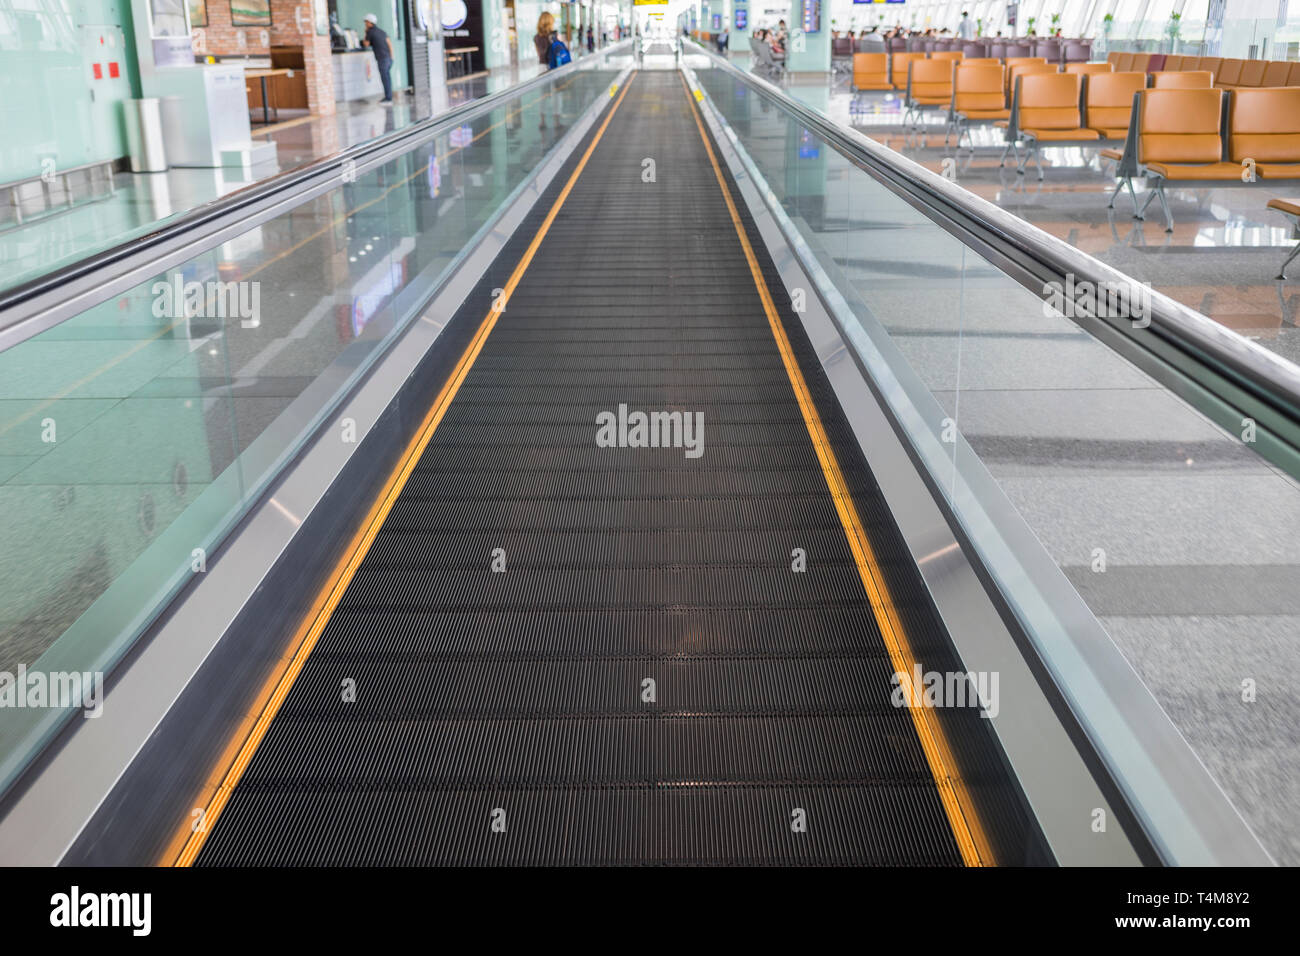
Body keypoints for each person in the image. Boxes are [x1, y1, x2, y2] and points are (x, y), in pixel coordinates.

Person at [361, 13, 394, 104]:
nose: (365, 24)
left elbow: (366, 44)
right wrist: (392, 58)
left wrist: (365, 32)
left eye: (366, 22)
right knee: (388, 78)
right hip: (388, 58)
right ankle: (389, 97)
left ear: (370, 23)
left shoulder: (370, 32)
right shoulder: (382, 32)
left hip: (382, 59)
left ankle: (388, 99)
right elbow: (389, 44)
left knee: (385, 79)